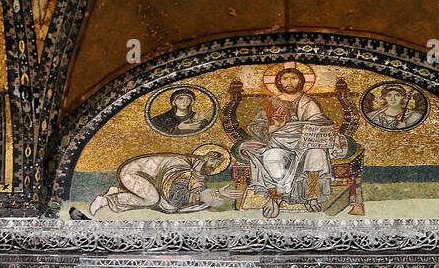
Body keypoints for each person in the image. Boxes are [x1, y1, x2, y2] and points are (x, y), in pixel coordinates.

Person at [241, 66, 347, 217]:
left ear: (300, 81)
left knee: (316, 154)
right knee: (272, 157)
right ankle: (275, 197)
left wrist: (329, 128)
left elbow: (320, 122)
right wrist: (276, 126)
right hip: (279, 143)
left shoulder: (309, 102)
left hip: (306, 143)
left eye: (293, 78)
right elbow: (256, 128)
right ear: (279, 82)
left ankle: (311, 196)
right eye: (285, 78)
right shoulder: (269, 103)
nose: (289, 82)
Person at [89, 146, 227, 215]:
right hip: (132, 174)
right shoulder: (180, 164)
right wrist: (202, 190)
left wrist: (215, 192)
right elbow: (173, 195)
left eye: (216, 167)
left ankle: (117, 191)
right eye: (212, 165)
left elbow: (196, 190)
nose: (213, 169)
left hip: (146, 179)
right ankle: (106, 200)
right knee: (152, 199)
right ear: (205, 159)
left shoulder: (195, 169)